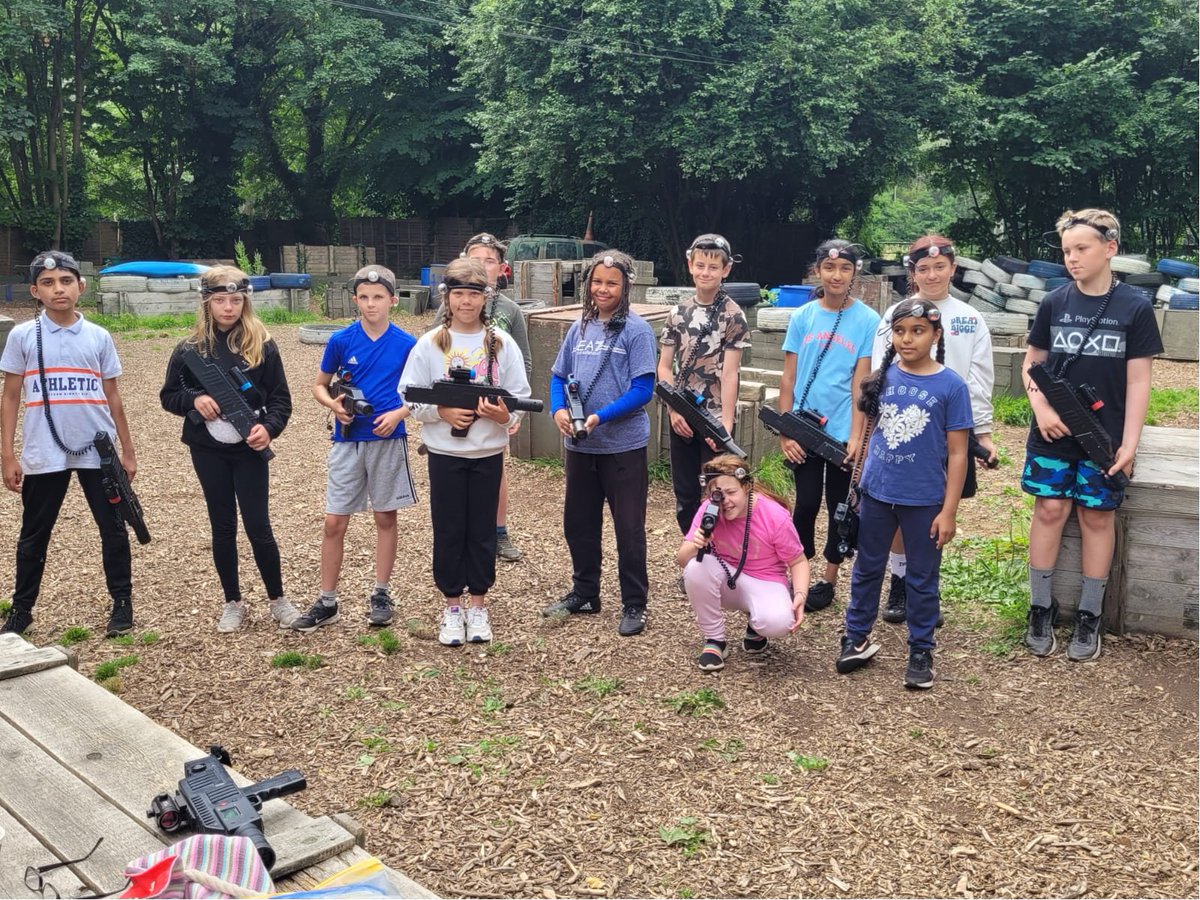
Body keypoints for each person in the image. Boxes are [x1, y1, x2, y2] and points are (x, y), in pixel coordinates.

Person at [1021, 209, 1161, 661]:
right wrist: (1040, 408)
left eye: (1081, 248)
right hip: (1052, 432)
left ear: (1110, 249)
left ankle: (1089, 614)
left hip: (1105, 436)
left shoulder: (1135, 308)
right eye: (1066, 251)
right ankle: (1040, 607)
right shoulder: (1054, 303)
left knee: (1097, 517)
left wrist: (1129, 443)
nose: (1072, 258)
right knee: (1049, 510)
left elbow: (1139, 381)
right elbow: (1032, 363)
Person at [837, 298, 972, 689]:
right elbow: (868, 435)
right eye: (899, 331)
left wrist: (949, 511)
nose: (907, 339)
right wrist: (860, 485)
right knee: (867, 569)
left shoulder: (951, 386)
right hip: (877, 494)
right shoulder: (881, 379)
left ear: (936, 334)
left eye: (917, 331)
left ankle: (921, 648)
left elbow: (958, 453)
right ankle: (856, 636)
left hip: (925, 500)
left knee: (922, 577)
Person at [0, 250, 137, 637]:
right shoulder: (24, 336)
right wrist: (7, 454)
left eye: (65, 281)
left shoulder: (98, 337)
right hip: (44, 452)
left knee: (113, 529)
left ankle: (122, 603)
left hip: (98, 451)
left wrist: (127, 449)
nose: (58, 289)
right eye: (47, 283)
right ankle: (22, 609)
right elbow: (10, 396)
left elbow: (113, 397)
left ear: (81, 286)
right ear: (34, 291)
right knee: (33, 533)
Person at [398, 258, 531, 646]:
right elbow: (409, 395)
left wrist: (502, 414)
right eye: (459, 294)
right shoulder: (430, 344)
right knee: (450, 529)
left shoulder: (500, 345)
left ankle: (479, 605)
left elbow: (519, 398)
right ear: (448, 298)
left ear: (485, 299)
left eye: (474, 294)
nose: (466, 302)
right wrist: (442, 412)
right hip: (445, 455)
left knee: (482, 532)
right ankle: (452, 606)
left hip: (487, 453)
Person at [159, 266, 294, 633]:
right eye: (220, 300)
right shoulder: (190, 349)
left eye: (236, 300)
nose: (228, 307)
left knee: (258, 526)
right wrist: (194, 399)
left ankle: (278, 599)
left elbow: (281, 399)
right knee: (222, 526)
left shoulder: (262, 344)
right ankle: (232, 600)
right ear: (207, 302)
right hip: (208, 449)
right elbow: (168, 395)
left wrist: (268, 430)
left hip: (249, 449)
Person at [871, 234, 996, 624]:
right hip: (904, 427)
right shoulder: (894, 315)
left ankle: (927, 586)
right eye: (923, 268)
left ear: (953, 268)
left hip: (952, 428)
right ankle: (899, 581)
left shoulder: (969, 318)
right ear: (913, 272)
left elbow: (980, 377)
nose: (932, 274)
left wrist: (984, 431)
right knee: (896, 506)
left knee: (938, 509)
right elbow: (879, 374)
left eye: (940, 267)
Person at [292, 265, 418, 632]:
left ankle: (381, 592)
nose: (370, 304)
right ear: (355, 300)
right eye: (363, 297)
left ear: (393, 300)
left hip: (387, 439)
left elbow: (419, 394)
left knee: (385, 516)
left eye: (378, 297)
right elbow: (319, 385)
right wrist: (333, 406)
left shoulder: (407, 344)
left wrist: (397, 415)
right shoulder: (341, 340)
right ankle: (327, 599)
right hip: (347, 440)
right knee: (334, 521)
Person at [542, 251, 658, 636]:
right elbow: (559, 376)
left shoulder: (637, 331)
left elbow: (643, 389)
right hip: (580, 447)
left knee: (628, 527)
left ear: (625, 286)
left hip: (622, 446)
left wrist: (600, 417)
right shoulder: (581, 327)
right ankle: (585, 591)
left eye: (611, 283)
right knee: (578, 523)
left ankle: (634, 602)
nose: (602, 289)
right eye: (596, 282)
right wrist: (559, 410)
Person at [778, 240, 879, 612]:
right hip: (804, 430)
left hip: (841, 432)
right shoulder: (802, 316)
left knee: (840, 504)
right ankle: (798, 570)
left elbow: (861, 381)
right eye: (829, 268)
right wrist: (786, 429)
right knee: (805, 503)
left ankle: (829, 577)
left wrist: (858, 434)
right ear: (818, 271)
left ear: (854, 273)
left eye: (845, 269)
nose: (837, 276)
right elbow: (788, 377)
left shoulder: (868, 320)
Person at [436, 233, 533, 562]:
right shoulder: (447, 310)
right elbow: (435, 352)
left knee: (496, 469)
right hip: (457, 401)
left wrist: (513, 411)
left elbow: (525, 362)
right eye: (475, 259)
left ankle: (498, 531)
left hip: (494, 407)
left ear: (501, 268)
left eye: (489, 260)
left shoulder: (510, 311)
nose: (482, 265)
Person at [677, 454, 809, 671]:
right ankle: (715, 639)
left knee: (778, 623)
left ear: (746, 487)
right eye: (718, 494)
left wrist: (800, 596)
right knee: (696, 567)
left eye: (731, 492)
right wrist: (696, 543)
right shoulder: (709, 511)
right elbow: (682, 560)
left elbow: (798, 561)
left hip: (765, 580)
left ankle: (756, 626)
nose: (725, 501)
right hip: (727, 577)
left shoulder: (773, 514)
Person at [658, 234, 751, 541]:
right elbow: (664, 366)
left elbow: (731, 373)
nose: (706, 272)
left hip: (714, 417)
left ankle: (720, 552)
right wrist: (674, 411)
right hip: (681, 415)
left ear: (725, 270)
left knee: (716, 489)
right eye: (700, 265)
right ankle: (693, 551)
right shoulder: (678, 312)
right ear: (690, 266)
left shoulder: (733, 315)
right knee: (685, 493)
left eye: (713, 267)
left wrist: (724, 424)